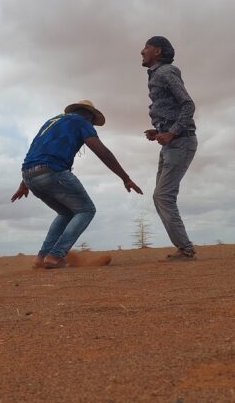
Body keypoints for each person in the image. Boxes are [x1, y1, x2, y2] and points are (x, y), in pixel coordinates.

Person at [11, 100, 142, 268]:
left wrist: (24, 184)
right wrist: (125, 178)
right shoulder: (81, 121)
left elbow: (38, 152)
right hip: (53, 171)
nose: (92, 125)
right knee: (86, 210)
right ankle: (55, 256)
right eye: (93, 122)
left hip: (29, 175)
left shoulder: (50, 123)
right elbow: (103, 152)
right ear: (89, 115)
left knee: (66, 213)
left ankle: (41, 257)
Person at [141, 36, 197, 259]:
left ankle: (185, 248)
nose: (142, 51)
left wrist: (172, 132)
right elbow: (172, 108)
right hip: (172, 143)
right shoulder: (157, 75)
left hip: (180, 141)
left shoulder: (166, 72)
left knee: (163, 196)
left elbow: (188, 104)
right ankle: (184, 247)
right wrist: (160, 131)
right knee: (160, 196)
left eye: (146, 47)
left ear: (157, 51)